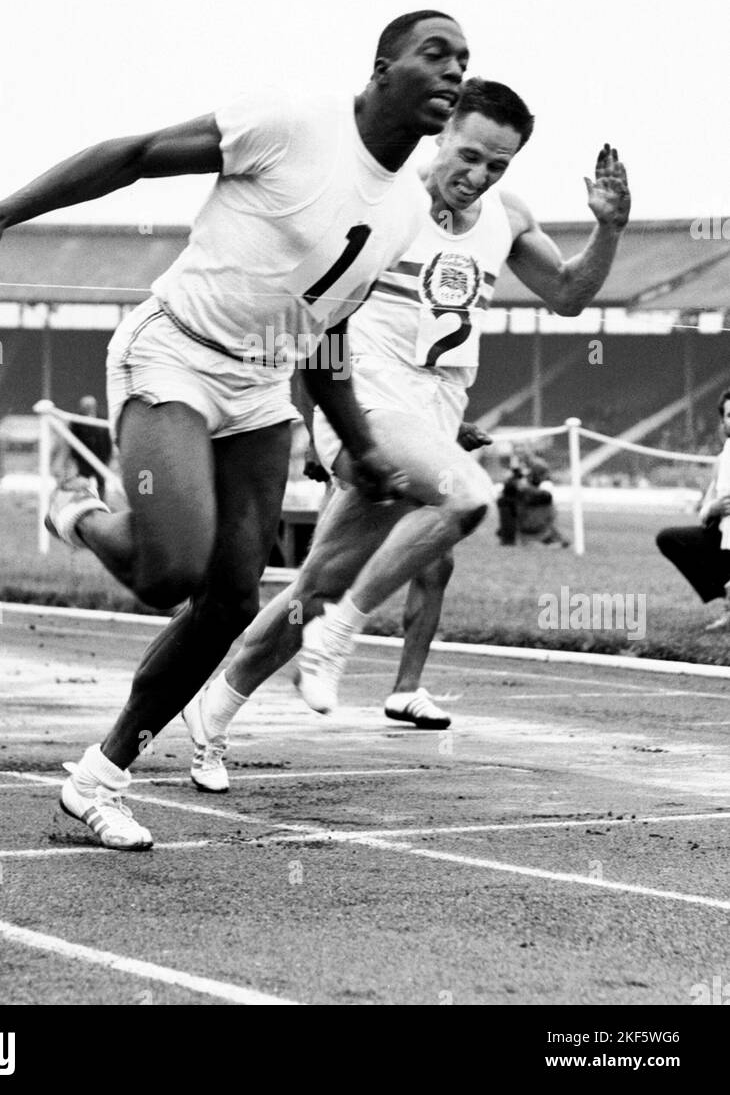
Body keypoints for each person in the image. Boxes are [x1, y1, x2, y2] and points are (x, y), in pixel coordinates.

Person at [0, 8, 470, 849]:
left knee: (229, 601)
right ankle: (76, 511)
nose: (455, 71)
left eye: (465, 60)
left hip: (257, 388)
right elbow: (136, 156)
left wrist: (361, 449)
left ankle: (100, 778)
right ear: (383, 66)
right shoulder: (289, 123)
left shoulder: (401, 213)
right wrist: (4, 214)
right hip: (172, 351)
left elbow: (321, 337)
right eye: (437, 53)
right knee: (167, 570)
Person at [181, 78, 631, 791]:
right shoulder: (382, 204)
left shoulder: (506, 218)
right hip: (363, 412)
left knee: (313, 588)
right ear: (442, 131)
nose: (478, 176)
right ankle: (345, 631)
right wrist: (321, 429)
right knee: (466, 499)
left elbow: (571, 296)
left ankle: (211, 714)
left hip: (431, 421)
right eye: (471, 156)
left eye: (498, 165)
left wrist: (608, 228)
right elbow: (311, 321)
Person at [656, 389, 730, 632]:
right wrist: (714, 508)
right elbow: (704, 511)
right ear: (723, 422)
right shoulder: (722, 461)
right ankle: (728, 601)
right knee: (670, 538)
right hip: (724, 538)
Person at [64, 395, 113, 502]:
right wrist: (76, 458)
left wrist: (107, 457)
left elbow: (107, 440)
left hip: (101, 458)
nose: (89, 407)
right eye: (86, 405)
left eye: (91, 405)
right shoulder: (76, 421)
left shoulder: (102, 418)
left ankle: (102, 504)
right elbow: (73, 441)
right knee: (82, 484)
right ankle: (83, 504)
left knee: (101, 484)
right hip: (83, 461)